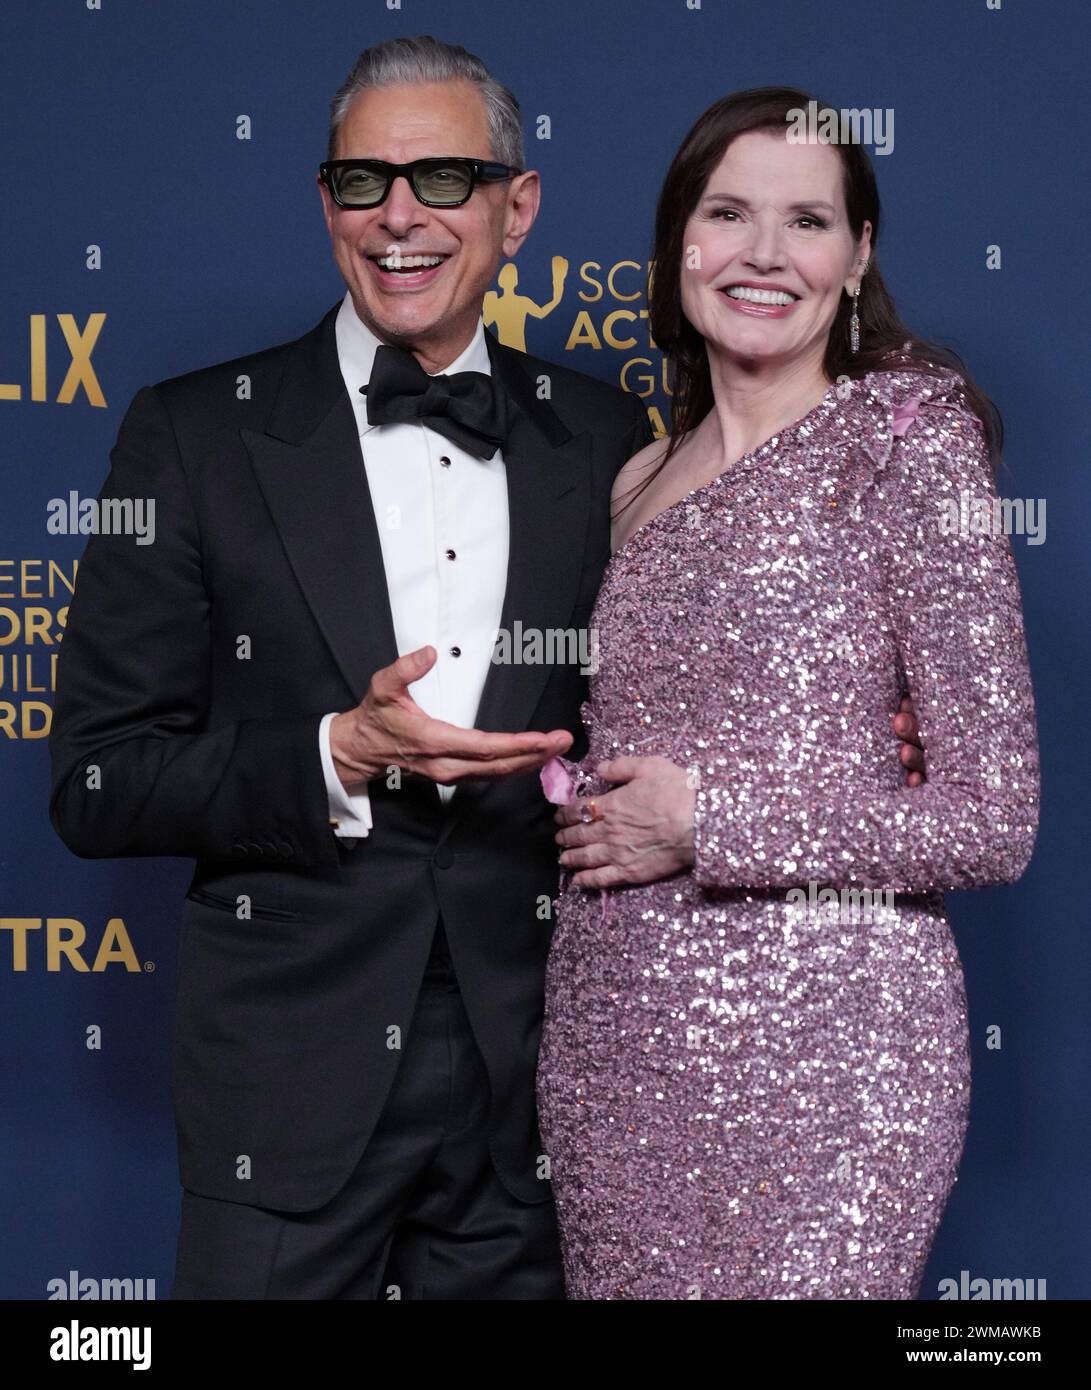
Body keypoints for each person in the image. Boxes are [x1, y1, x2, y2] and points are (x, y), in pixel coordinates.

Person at [48, 42, 925, 1301]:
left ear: (517, 210)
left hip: (553, 1085)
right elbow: (94, 782)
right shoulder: (194, 433)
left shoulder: (613, 442)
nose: (398, 215)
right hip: (289, 1088)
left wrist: (852, 737)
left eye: (443, 177)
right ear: (324, 204)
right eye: (363, 181)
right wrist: (331, 755)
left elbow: (695, 686)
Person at [536, 86, 1040, 1301]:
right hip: (618, 1041)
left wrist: (706, 822)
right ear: (678, 246)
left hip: (833, 1049)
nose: (763, 254)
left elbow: (993, 816)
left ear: (856, 255)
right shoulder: (631, 480)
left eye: (805, 220)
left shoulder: (905, 440)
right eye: (727, 213)